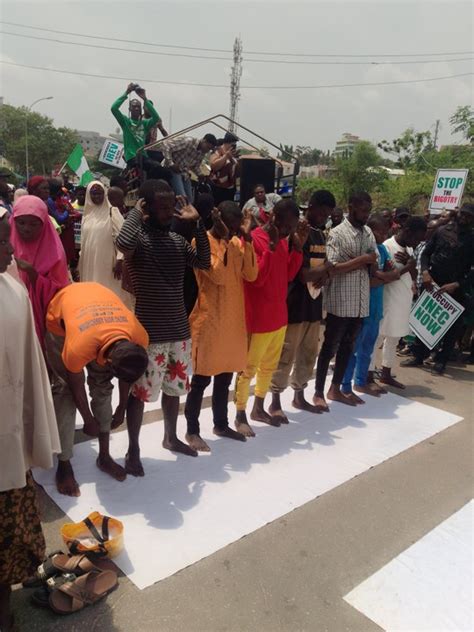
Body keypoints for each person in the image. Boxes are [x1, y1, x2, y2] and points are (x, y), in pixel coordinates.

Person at [116, 179, 211, 475]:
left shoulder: (176, 240)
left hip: (179, 331)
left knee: (174, 389)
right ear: (146, 208)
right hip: (150, 332)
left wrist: (198, 226)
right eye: (162, 206)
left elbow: (205, 262)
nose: (170, 212)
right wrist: (134, 212)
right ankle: (133, 450)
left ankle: (170, 437)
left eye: (172, 206)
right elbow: (123, 244)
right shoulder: (138, 239)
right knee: (140, 394)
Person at [0, 208, 60, 632]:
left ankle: (3, 609)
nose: (8, 249)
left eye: (6, 240)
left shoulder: (13, 290)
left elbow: (29, 362)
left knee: (6, 540)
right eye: (2, 241)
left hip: (6, 441)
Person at [45, 282, 149, 496]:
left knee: (102, 385)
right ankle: (64, 463)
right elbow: (75, 386)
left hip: (96, 306)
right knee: (64, 391)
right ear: (109, 360)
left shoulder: (139, 337)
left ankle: (104, 457)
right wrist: (88, 419)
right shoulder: (78, 347)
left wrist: (122, 406)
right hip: (61, 317)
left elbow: (126, 373)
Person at [184, 201, 258, 451]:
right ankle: (192, 431)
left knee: (225, 377)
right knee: (201, 380)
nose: (235, 230)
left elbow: (251, 274)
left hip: (232, 321)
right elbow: (217, 275)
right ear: (219, 221)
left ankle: (221, 424)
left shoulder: (237, 244)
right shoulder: (201, 242)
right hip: (209, 320)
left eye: (238, 226)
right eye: (232, 226)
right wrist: (226, 242)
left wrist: (246, 240)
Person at [234, 199, 309, 436]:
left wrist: (297, 248)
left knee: (268, 367)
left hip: (278, 316)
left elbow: (288, 274)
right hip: (258, 318)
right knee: (248, 369)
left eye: (291, 228)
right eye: (287, 226)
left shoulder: (283, 241)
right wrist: (272, 248)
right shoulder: (256, 239)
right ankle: (240, 414)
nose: (288, 231)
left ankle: (258, 407)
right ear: (274, 216)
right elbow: (256, 279)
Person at [270, 190, 336, 419]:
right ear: (312, 207)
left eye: (328, 215)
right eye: (321, 213)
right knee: (285, 353)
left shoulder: (320, 235)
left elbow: (322, 269)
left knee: (309, 354)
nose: (324, 218)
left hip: (314, 305)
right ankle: (275, 400)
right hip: (295, 304)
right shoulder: (297, 232)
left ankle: (299, 395)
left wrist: (326, 272)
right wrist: (327, 269)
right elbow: (301, 274)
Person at [314, 191, 377, 410]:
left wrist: (361, 261)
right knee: (329, 347)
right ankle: (319, 392)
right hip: (340, 301)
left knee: (348, 347)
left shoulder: (368, 232)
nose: (366, 215)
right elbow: (332, 266)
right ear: (351, 207)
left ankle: (336, 388)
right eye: (363, 210)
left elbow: (374, 262)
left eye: (369, 211)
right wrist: (362, 260)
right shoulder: (337, 233)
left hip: (360, 301)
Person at [403, 204, 474, 375]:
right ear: (458, 214)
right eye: (463, 214)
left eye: (469, 216)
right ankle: (419, 356)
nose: (465, 217)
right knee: (426, 321)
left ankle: (441, 360)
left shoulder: (472, 239)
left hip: (455, 290)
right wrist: (426, 272)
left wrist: (456, 285)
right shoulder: (441, 231)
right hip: (433, 284)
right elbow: (426, 254)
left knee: (451, 328)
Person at [340, 213, 400, 399]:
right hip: (361, 309)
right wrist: (383, 277)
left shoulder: (382, 250)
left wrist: (380, 276)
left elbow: (394, 274)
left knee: (368, 348)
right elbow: (368, 280)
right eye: (379, 232)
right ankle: (345, 384)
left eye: (385, 232)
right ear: (369, 231)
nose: (382, 236)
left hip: (376, 309)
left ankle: (360, 382)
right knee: (354, 348)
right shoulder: (364, 251)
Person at [9, 195, 70, 347]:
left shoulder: (55, 252)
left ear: (44, 223)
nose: (26, 229)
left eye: (34, 224)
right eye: (21, 223)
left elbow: (59, 291)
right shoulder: (6, 243)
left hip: (40, 317)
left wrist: (33, 274)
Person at [378, 216, 427, 388]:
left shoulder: (409, 249)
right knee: (378, 336)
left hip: (403, 297)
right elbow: (384, 277)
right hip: (388, 297)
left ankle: (386, 372)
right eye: (415, 238)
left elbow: (412, 275)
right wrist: (407, 266)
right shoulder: (387, 246)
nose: (416, 243)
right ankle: (366, 374)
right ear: (407, 231)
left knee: (394, 337)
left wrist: (410, 263)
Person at [78, 181, 131, 306]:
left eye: (100, 193)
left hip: (108, 263)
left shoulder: (112, 212)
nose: (97, 197)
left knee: (110, 293)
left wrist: (120, 259)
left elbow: (123, 236)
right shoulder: (86, 216)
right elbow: (84, 241)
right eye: (94, 194)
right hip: (89, 262)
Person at [111, 83, 170, 181]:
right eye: (134, 106)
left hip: (143, 156)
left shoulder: (145, 123)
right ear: (130, 109)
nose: (136, 108)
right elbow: (113, 108)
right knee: (143, 164)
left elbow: (156, 117)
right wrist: (127, 92)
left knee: (164, 171)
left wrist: (145, 99)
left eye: (138, 106)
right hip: (132, 157)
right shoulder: (125, 122)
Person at [161, 134, 218, 201]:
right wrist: (171, 164)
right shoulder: (187, 141)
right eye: (208, 147)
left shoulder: (202, 153)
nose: (207, 151)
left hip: (184, 173)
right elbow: (166, 145)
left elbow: (195, 166)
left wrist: (200, 175)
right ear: (204, 141)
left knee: (190, 199)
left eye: (210, 149)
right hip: (171, 169)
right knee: (182, 197)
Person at [209, 132, 240, 205]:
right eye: (232, 144)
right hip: (218, 187)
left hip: (230, 188)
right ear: (227, 143)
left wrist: (234, 158)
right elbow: (214, 166)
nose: (234, 146)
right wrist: (226, 156)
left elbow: (237, 170)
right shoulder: (218, 151)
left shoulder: (233, 154)